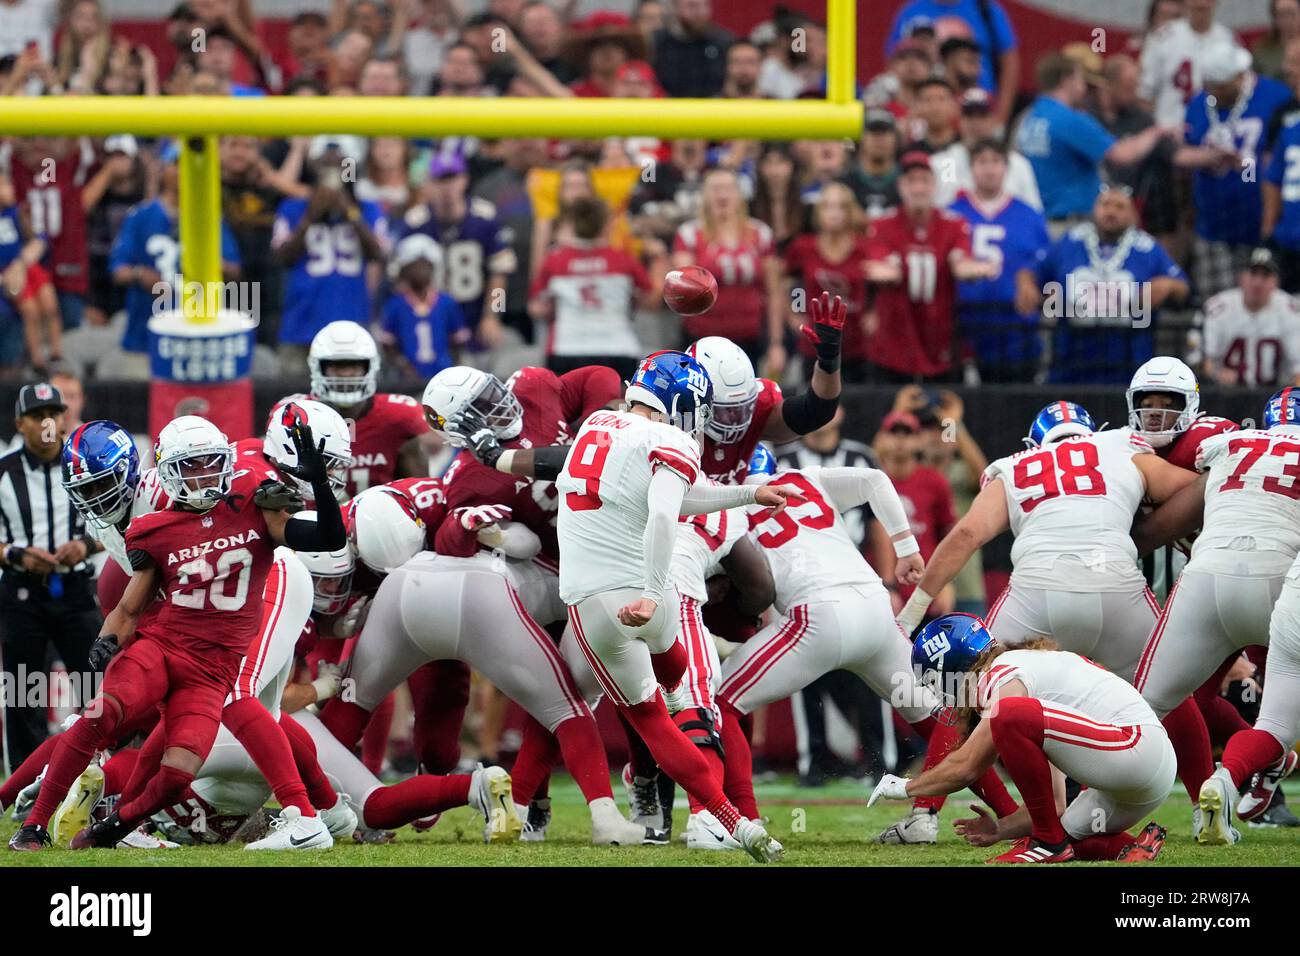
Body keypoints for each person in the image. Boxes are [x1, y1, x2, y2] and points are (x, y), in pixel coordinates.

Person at [9, 412, 348, 851]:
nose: (202, 477)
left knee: (207, 735)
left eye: (210, 464)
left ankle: (299, 817)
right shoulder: (153, 528)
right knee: (108, 713)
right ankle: (42, 824)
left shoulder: (246, 501)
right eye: (190, 467)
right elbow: (135, 603)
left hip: (238, 627)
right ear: (168, 472)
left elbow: (319, 527)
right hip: (174, 641)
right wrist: (108, 641)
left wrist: (315, 481)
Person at [885, 402, 1195, 844]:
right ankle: (1209, 801)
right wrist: (1166, 537)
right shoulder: (1119, 446)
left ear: (1036, 442)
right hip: (1115, 582)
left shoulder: (1015, 466)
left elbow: (968, 534)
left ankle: (925, 814)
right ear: (1090, 431)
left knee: (975, 686)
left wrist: (914, 610)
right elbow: (1195, 492)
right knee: (1173, 687)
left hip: (1037, 590)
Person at [552, 350, 788, 863]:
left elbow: (675, 499)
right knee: (677, 679)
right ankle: (725, 800)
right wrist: (657, 594)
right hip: (647, 597)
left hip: (593, 606)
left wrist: (749, 494)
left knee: (653, 721)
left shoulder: (595, 422)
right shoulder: (672, 438)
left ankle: (733, 823)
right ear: (684, 402)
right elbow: (664, 516)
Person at [1130, 387, 1300, 845]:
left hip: (1204, 584)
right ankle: (1252, 768)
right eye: (1150, 404)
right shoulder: (1197, 444)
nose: (1157, 417)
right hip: (1280, 588)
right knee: (1274, 723)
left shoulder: (1226, 445)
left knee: (1147, 706)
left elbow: (1163, 525)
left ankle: (1082, 812)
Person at [869, 614, 1175, 864]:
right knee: (1066, 834)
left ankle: (1047, 844)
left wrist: (906, 787)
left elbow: (968, 765)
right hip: (1139, 774)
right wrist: (1001, 829)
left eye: (936, 682)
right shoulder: (1024, 667)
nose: (941, 693)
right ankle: (1136, 847)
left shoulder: (1000, 673)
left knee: (1009, 716)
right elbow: (1055, 805)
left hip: (1133, 747)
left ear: (951, 667)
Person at [0, 383, 101, 774]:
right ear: (20, 423)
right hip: (22, 594)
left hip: (76, 591)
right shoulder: (5, 473)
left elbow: (118, 521)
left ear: (64, 418)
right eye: (38, 415)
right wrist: (14, 554)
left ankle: (103, 771)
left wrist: (85, 546)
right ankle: (27, 782)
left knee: (98, 686)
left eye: (53, 414)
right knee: (25, 692)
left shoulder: (87, 465)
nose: (47, 423)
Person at [1019, 186, 1190, 384]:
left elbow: (1183, 286)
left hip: (1128, 361)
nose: (1111, 212)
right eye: (1105, 204)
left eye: (1119, 207)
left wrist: (1168, 285)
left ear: (1133, 214)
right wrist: (1026, 284)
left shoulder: (1148, 248)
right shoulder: (1070, 241)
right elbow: (1030, 270)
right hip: (1071, 360)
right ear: (1094, 208)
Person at [865, 151, 997, 383]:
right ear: (900, 186)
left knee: (945, 415)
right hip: (894, 342)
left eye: (924, 181)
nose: (918, 188)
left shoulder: (953, 224)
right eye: (911, 181)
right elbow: (875, 267)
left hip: (940, 337)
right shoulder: (882, 225)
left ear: (934, 185)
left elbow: (961, 263)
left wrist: (975, 269)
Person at [1177, 45, 1292, 298]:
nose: (1215, 92)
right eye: (1211, 85)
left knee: (1264, 303)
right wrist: (1210, 157)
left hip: (1262, 223)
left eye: (1221, 86)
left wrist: (1251, 166)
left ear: (1240, 77)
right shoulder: (1199, 105)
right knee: (1217, 303)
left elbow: (1287, 155)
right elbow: (1182, 152)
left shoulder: (1275, 97)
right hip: (1213, 224)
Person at [1016, 53, 1178, 231]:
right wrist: (1155, 132)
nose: (1084, 87)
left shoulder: (1030, 116)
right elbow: (1122, 155)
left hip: (1038, 220)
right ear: (1066, 80)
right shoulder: (1071, 120)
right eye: (1080, 79)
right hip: (1070, 224)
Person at [111, 145, 243, 359]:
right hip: (146, 334)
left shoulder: (209, 217)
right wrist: (140, 275)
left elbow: (234, 269)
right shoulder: (140, 216)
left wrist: (209, 264)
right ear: (163, 170)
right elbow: (118, 269)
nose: (183, 171)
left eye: (187, 165)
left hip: (196, 340)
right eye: (177, 164)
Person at [271, 142, 387, 361]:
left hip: (353, 326)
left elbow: (379, 254)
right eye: (326, 167)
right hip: (302, 326)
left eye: (340, 167)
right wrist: (310, 217)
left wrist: (350, 213)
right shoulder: (293, 207)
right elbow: (281, 258)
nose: (333, 175)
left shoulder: (367, 208)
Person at [948, 138, 1051, 383]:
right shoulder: (952, 213)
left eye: (995, 161)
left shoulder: (1029, 215)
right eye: (982, 162)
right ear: (971, 168)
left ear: (1006, 168)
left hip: (1017, 328)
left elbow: (1046, 266)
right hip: (965, 325)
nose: (989, 169)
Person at [528, 195, 663, 381]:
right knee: (616, 409)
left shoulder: (556, 260)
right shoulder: (622, 259)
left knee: (568, 408)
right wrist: (658, 258)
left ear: (573, 223)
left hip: (567, 348)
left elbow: (536, 308)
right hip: (617, 349)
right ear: (607, 224)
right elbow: (652, 301)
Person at [293, 320, 430, 498]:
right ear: (318, 367)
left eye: (354, 365)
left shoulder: (397, 418)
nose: (346, 374)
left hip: (380, 523)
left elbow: (419, 499)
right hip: (313, 524)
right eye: (336, 365)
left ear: (370, 367)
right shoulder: (295, 417)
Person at [393, 151, 514, 349]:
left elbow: (499, 274)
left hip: (474, 320)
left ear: (464, 180)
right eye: (440, 180)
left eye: (452, 178)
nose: (447, 187)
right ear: (429, 184)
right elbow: (401, 281)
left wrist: (493, 316)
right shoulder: (415, 222)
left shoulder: (484, 218)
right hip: (431, 323)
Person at [671, 168, 782, 373]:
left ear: (740, 195)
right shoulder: (689, 234)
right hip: (703, 337)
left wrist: (776, 343)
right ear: (704, 196)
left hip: (750, 337)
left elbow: (774, 292)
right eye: (715, 189)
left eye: (728, 189)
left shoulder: (760, 234)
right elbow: (682, 288)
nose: (722, 195)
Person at [781, 183, 872, 382]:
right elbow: (789, 281)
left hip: (857, 344)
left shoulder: (864, 247)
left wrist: (873, 313)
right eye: (828, 206)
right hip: (815, 343)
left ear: (850, 212)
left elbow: (876, 284)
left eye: (841, 206)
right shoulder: (803, 247)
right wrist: (795, 312)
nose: (835, 213)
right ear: (818, 212)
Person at [885, 0, 1020, 124]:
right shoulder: (910, 12)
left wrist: (1001, 117)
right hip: (922, 116)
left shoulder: (986, 9)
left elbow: (1009, 62)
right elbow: (893, 62)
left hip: (980, 112)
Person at [1200, 246, 1300, 386]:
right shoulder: (1218, 308)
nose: (1258, 282)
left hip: (1277, 397)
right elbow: (1204, 363)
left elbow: (1298, 371)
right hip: (1225, 395)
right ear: (1241, 277)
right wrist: (1217, 373)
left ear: (1276, 282)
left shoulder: (1291, 311)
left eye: (1265, 275)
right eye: (1253, 273)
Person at [931, 88, 1042, 211]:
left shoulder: (1017, 163)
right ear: (960, 121)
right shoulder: (947, 162)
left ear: (994, 120)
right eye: (969, 115)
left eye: (982, 116)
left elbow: (1033, 211)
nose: (975, 123)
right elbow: (942, 206)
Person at [379, 234, 469, 381]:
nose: (420, 270)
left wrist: (453, 367)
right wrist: (403, 365)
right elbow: (388, 344)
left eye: (425, 265)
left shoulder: (447, 302)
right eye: (414, 266)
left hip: (443, 375)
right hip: (408, 379)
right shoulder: (395, 304)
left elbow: (457, 341)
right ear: (404, 269)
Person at [1140, 0, 1240, 127]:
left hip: (1213, 133)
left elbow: (1239, 94)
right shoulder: (1163, 37)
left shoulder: (1228, 39)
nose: (1202, 3)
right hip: (1168, 131)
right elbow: (1144, 94)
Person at [651, 0, 732, 99]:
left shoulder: (724, 42)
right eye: (692, 6)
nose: (701, 12)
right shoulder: (657, 42)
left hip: (714, 109)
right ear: (674, 7)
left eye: (705, 5)